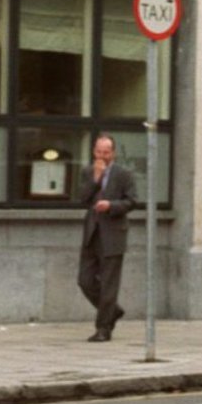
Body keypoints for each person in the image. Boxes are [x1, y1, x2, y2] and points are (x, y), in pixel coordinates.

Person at [77, 134, 138, 342]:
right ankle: (113, 311)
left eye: (106, 152)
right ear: (94, 151)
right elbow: (82, 198)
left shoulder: (124, 174)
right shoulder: (88, 172)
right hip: (91, 233)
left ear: (113, 153)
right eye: (99, 152)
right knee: (85, 281)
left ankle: (103, 328)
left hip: (113, 234)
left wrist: (111, 206)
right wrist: (96, 178)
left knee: (108, 285)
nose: (102, 156)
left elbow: (132, 201)